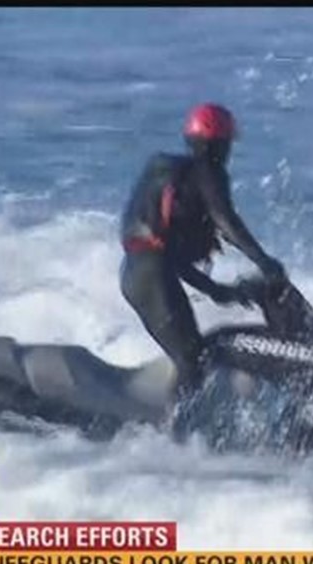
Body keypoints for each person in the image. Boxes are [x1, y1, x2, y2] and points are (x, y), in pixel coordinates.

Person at [119, 102, 287, 397]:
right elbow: (226, 222)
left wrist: (213, 289)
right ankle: (177, 438)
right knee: (191, 361)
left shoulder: (167, 173)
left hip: (138, 273)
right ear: (218, 144)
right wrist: (265, 261)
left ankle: (183, 421)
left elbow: (161, 253)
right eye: (227, 144)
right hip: (150, 274)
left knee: (193, 355)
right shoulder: (207, 173)